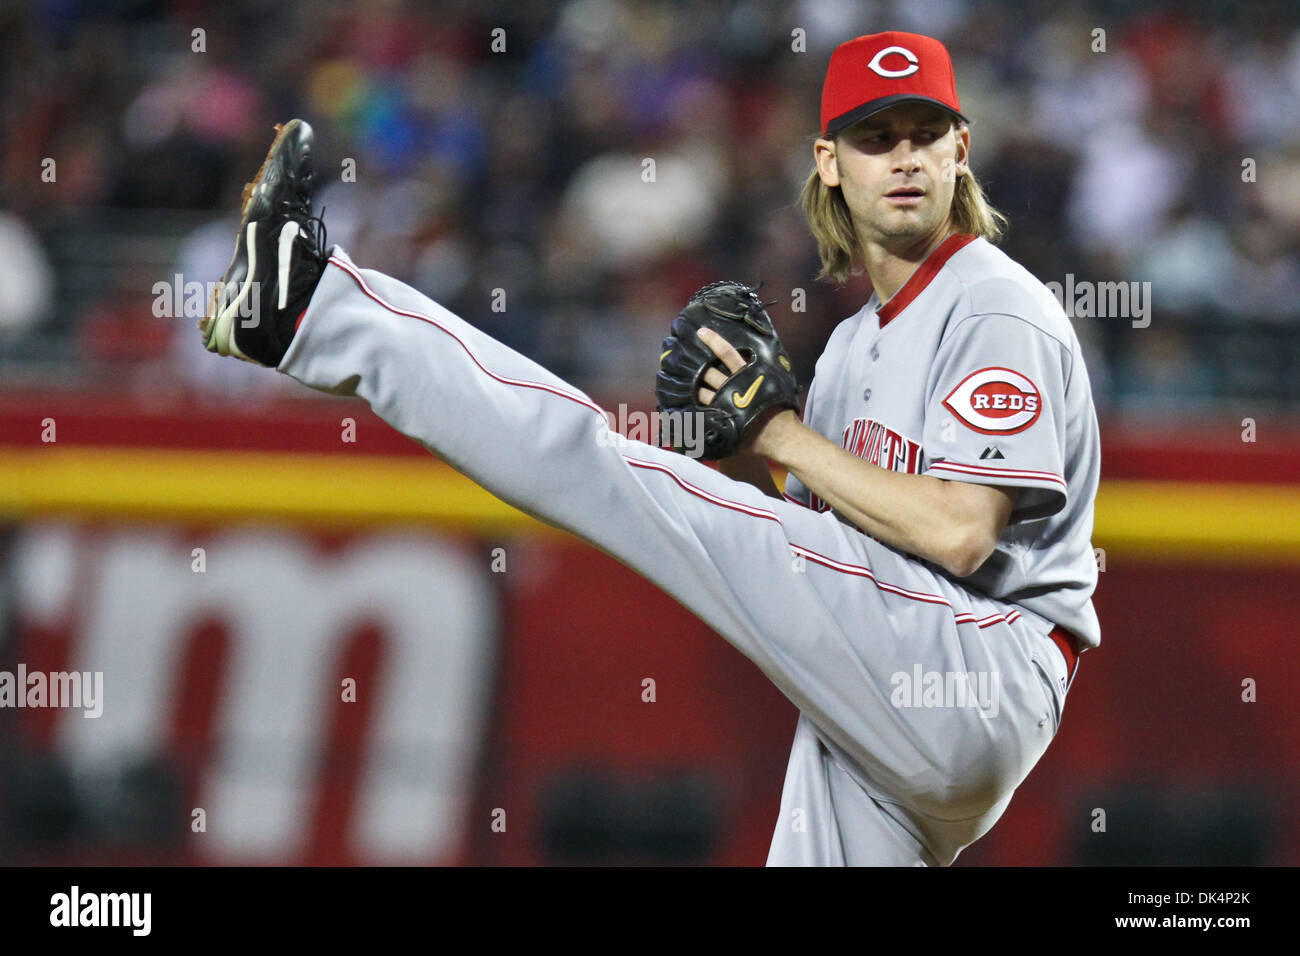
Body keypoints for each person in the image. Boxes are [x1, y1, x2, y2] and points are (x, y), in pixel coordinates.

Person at [200, 31, 1100, 866]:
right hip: (901, 695)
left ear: (961, 151)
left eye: (924, 133)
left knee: (600, 457)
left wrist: (773, 434)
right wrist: (742, 456)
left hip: (982, 664)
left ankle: (313, 310)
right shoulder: (850, 348)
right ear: (829, 163)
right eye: (875, 137)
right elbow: (821, 565)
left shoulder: (991, 302)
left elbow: (959, 535)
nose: (904, 156)